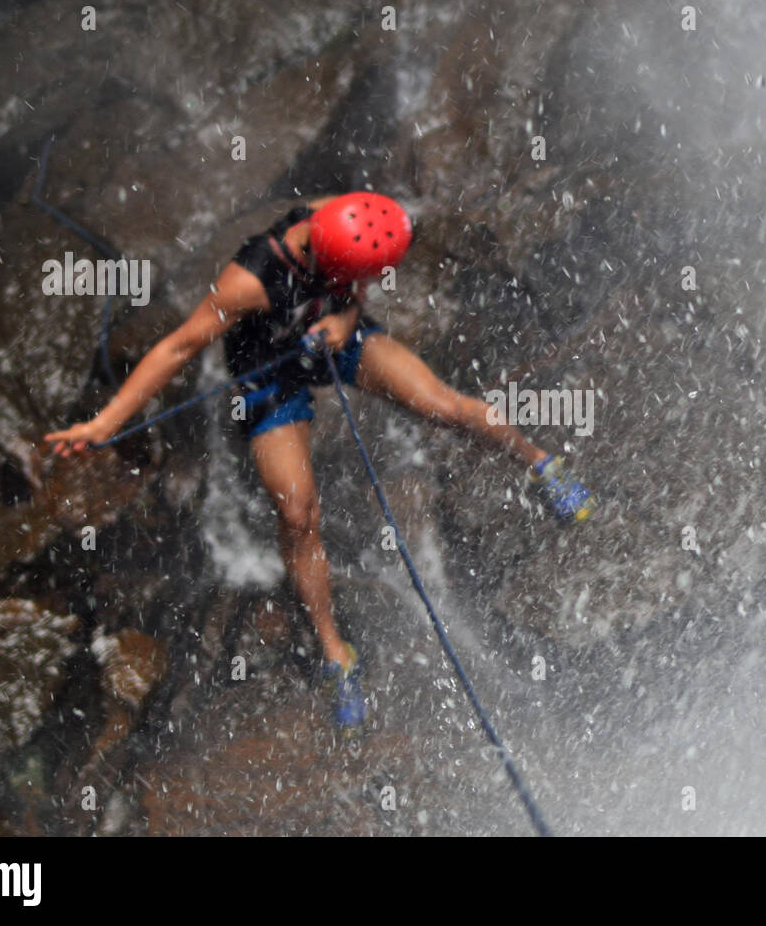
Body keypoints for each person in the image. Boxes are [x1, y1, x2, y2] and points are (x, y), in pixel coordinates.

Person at [45, 192, 594, 727]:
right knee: (297, 513)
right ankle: (337, 654)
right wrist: (106, 423)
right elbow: (178, 347)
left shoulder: (347, 213)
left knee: (441, 404)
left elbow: (354, 285)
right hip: (270, 373)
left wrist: (346, 320)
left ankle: (541, 464)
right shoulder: (249, 282)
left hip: (332, 335)